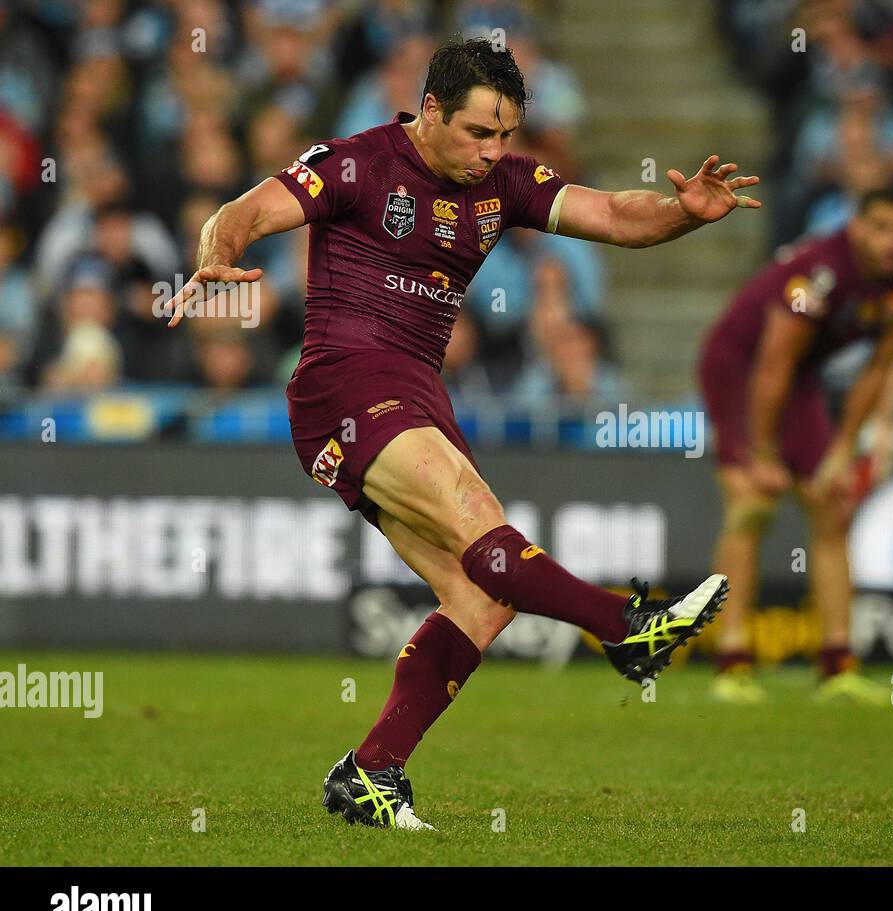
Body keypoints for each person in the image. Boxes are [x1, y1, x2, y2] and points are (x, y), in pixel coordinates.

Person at [165, 38, 761, 829]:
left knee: (480, 597)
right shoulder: (357, 163)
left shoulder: (506, 183)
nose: (493, 152)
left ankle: (371, 772)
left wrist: (684, 213)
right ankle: (625, 628)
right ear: (432, 111)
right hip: (346, 381)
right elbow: (243, 212)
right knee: (482, 522)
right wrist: (218, 256)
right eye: (479, 132)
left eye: (507, 134)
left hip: (416, 390)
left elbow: (616, 214)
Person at [699, 184, 893, 704]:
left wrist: (845, 448)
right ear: (857, 228)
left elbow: (880, 367)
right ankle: (732, 663)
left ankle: (837, 662)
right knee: (752, 506)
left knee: (833, 503)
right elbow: (772, 361)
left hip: (798, 380)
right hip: (740, 368)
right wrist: (762, 454)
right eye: (882, 228)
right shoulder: (819, 273)